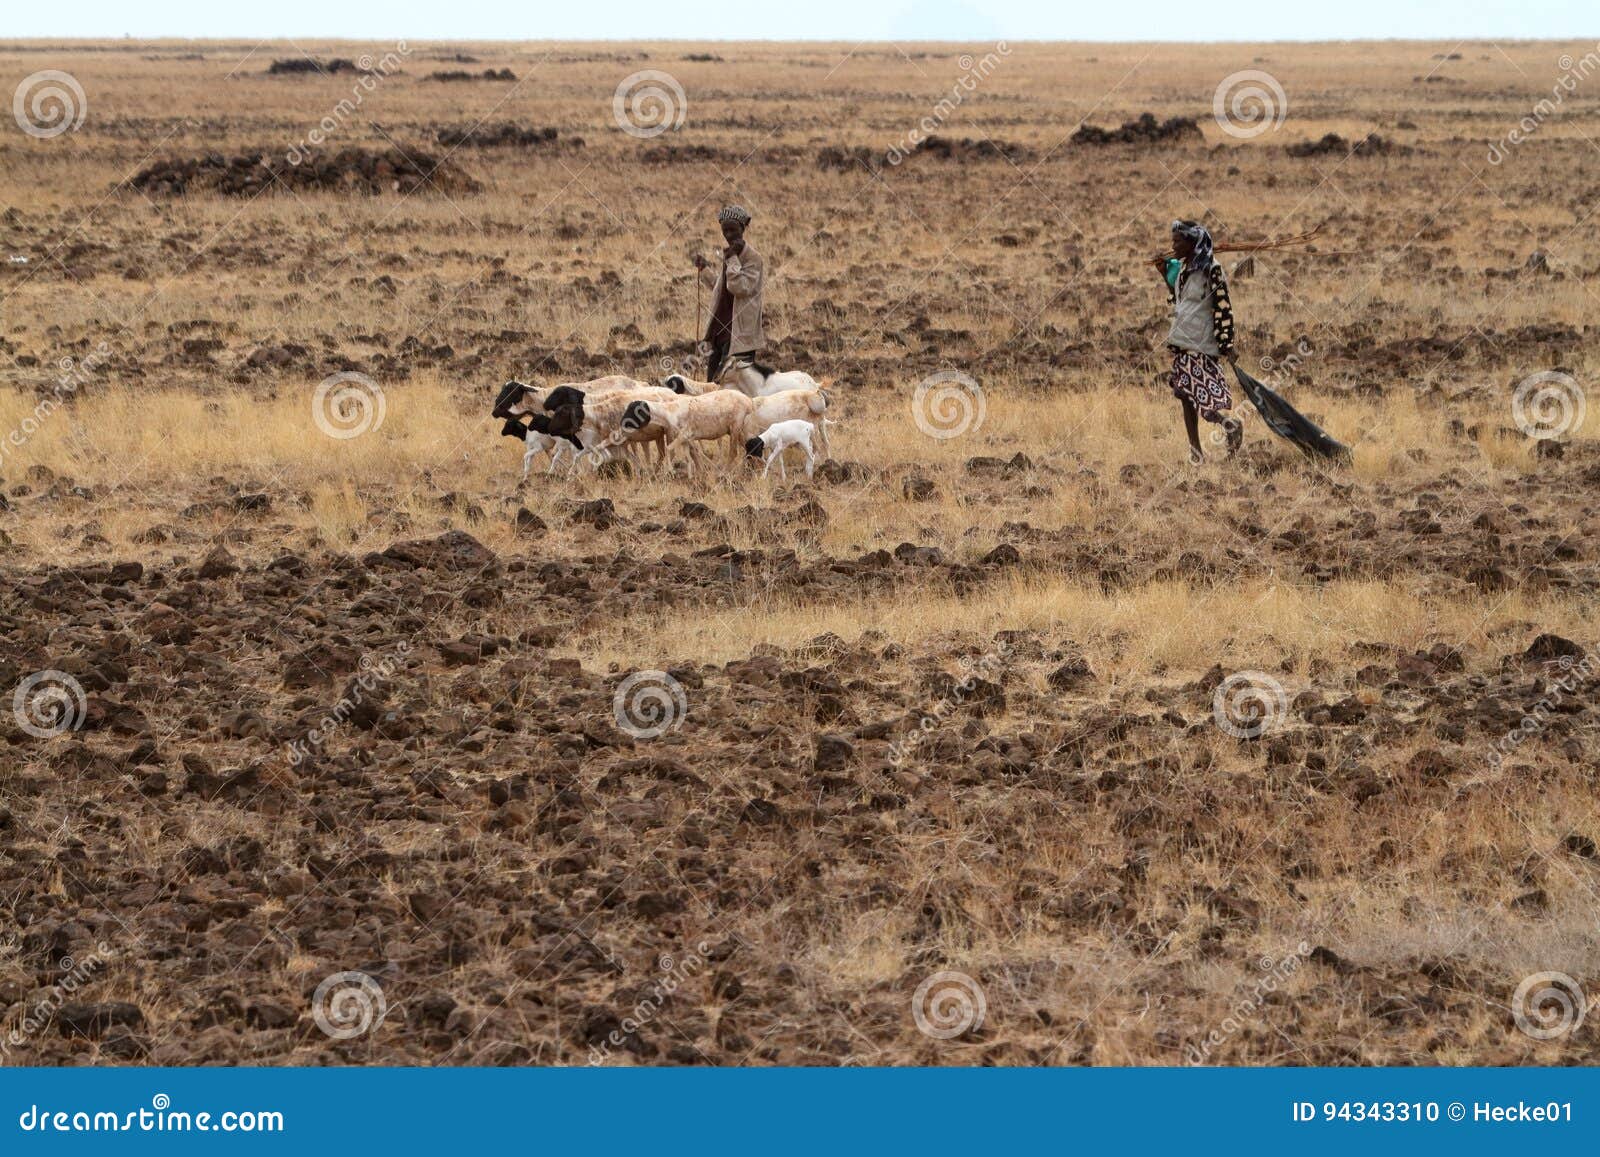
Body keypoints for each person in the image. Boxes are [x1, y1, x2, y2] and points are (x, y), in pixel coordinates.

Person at [1154, 220, 1243, 464]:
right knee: (1184, 395)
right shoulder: (1184, 269)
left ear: (1191, 243)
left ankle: (1230, 425)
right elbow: (1180, 300)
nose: (1173, 246)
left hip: (1201, 344)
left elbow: (1223, 306)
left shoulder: (1211, 269)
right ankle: (1196, 453)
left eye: (1177, 241)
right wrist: (1165, 275)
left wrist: (1227, 344)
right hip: (1183, 341)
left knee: (1201, 398)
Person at [694, 205, 765, 382]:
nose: (729, 235)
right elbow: (721, 288)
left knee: (731, 387)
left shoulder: (752, 258)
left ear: (742, 228)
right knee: (712, 383)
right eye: (725, 230)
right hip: (720, 331)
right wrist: (704, 270)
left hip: (739, 334)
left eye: (733, 230)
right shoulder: (730, 255)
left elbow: (740, 288)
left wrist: (732, 258)